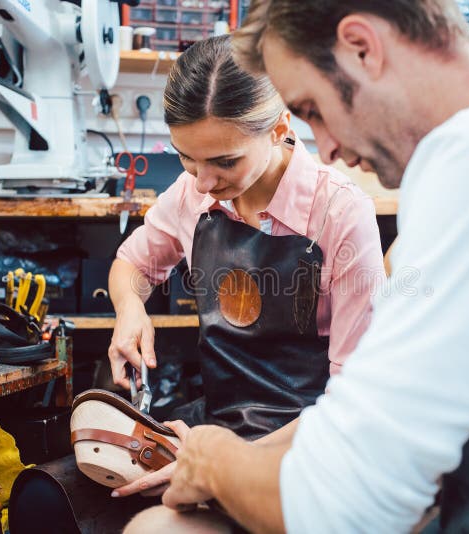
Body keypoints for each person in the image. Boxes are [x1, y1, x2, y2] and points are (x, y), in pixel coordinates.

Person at [144, 1, 469, 533]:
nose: (325, 149)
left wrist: (214, 459)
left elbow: (342, 509)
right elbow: (365, 404)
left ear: (362, 48)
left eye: (313, 109)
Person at [107, 34, 385, 501]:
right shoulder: (190, 191)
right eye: (187, 158)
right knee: (58, 493)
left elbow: (354, 400)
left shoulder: (339, 212)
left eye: (224, 161)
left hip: (309, 437)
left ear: (279, 128)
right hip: (218, 418)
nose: (204, 181)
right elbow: (130, 263)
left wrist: (220, 464)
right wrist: (129, 309)